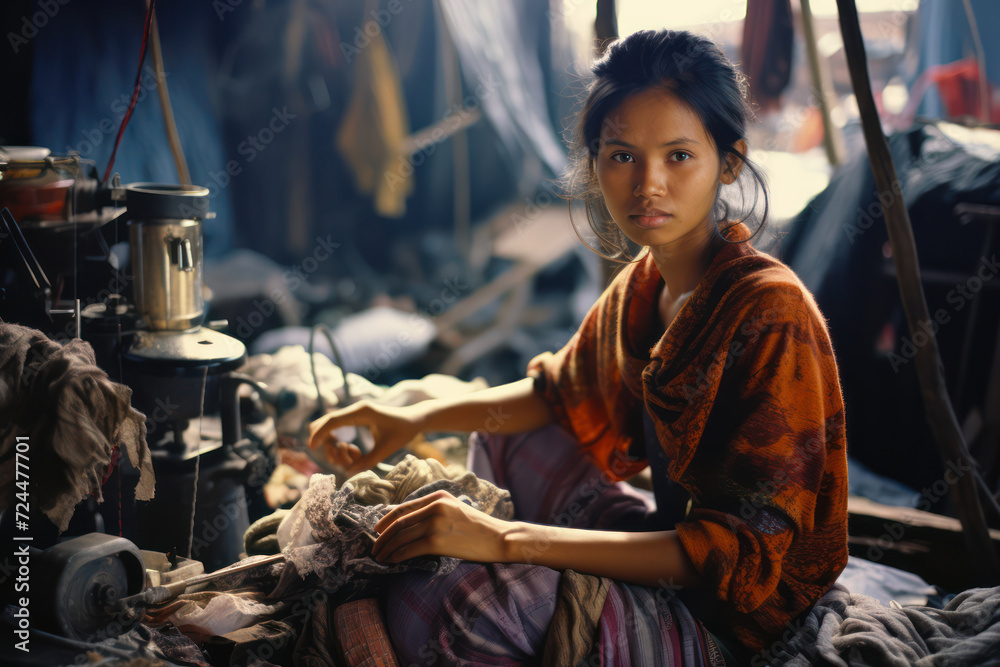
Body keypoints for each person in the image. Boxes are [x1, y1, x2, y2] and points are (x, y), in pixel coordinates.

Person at [309, 29, 849, 665]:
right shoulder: (645, 284)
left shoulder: (770, 312)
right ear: (595, 163)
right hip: (670, 543)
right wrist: (413, 417)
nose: (648, 184)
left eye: (679, 155)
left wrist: (506, 540)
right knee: (508, 438)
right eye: (622, 156)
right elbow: (555, 394)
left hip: (738, 617)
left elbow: (737, 560)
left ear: (729, 163)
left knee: (453, 605)